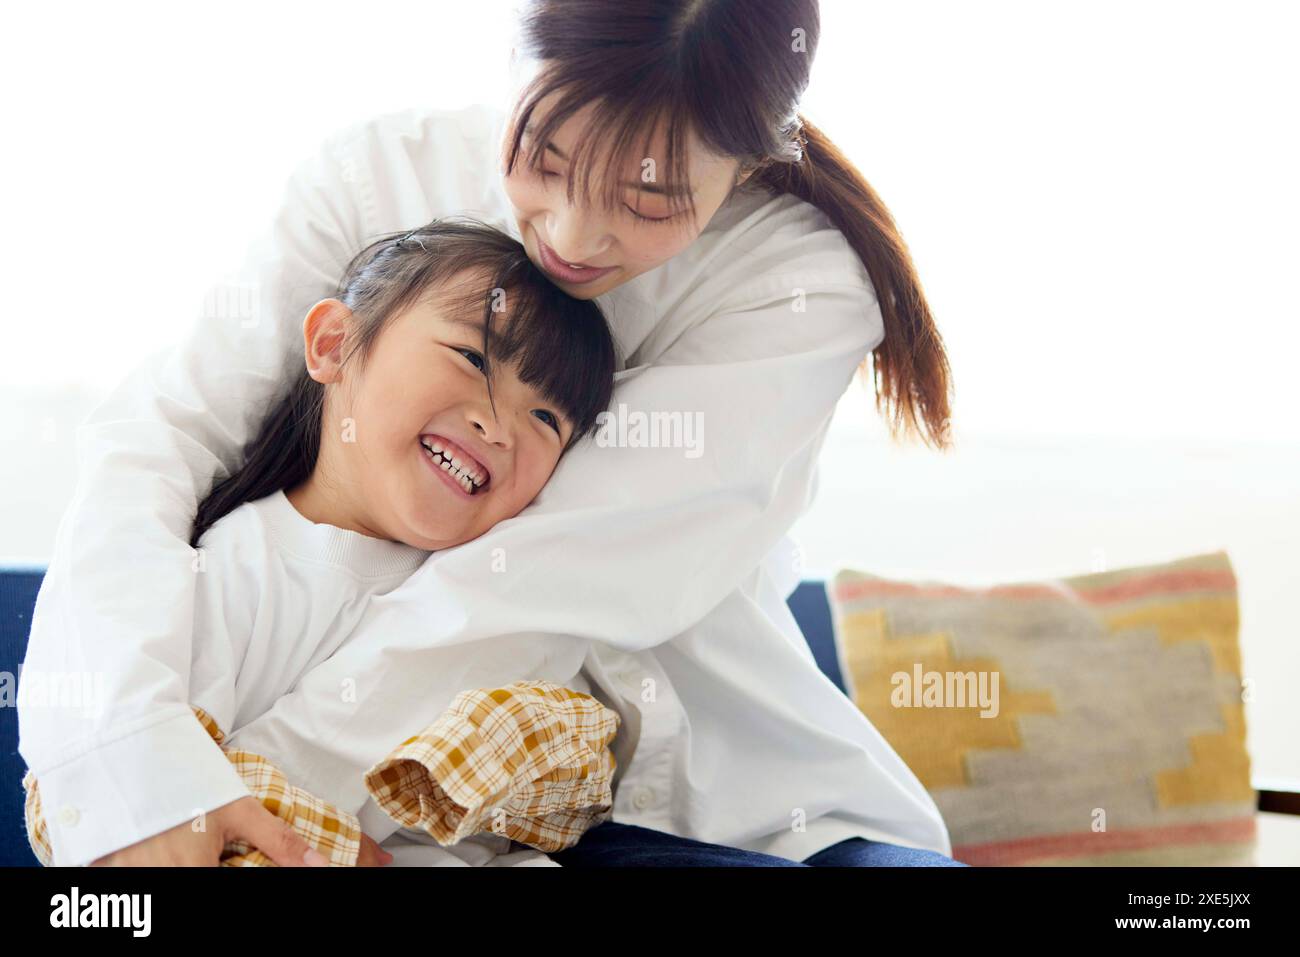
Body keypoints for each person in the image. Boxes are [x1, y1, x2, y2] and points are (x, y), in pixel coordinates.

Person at [18, 0, 961, 867]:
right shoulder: (375, 176)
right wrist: (141, 778)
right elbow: (160, 441)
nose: (573, 234)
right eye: (544, 159)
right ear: (514, 50)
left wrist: (255, 815)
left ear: (752, 163)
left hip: (715, 805)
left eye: (648, 201)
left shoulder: (797, 284)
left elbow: (549, 583)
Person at [21, 219, 624, 868]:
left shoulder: (492, 611)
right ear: (335, 344)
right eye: (473, 358)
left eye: (545, 419)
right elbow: (156, 808)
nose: (499, 424)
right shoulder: (241, 564)